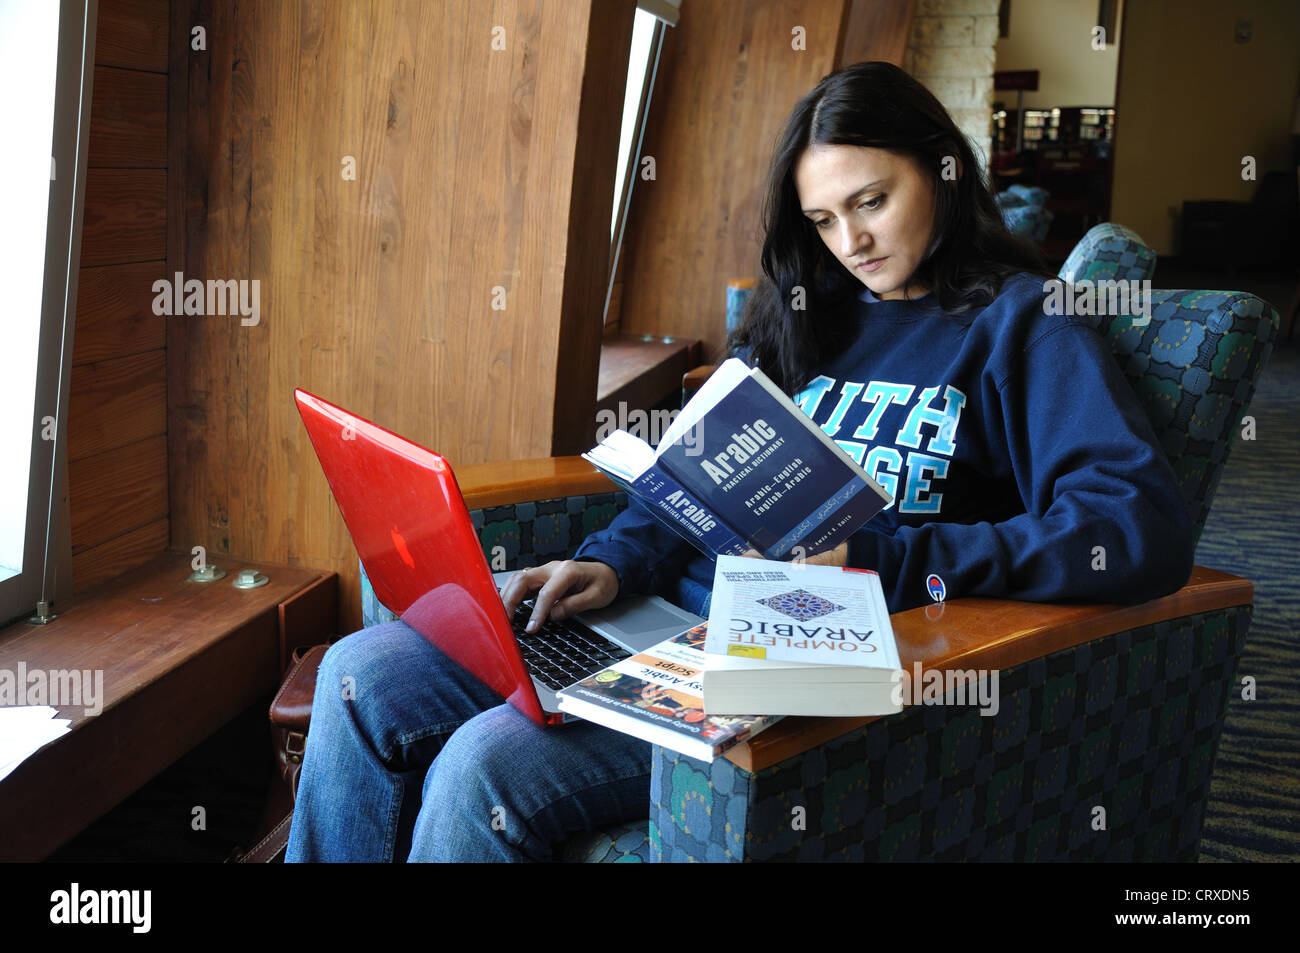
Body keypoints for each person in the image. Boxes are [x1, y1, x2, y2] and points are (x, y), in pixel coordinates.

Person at [285, 61, 1195, 863]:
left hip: (791, 668)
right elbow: (692, 476)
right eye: (824, 219)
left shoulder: (1021, 324)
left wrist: (893, 559)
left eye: (872, 201)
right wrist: (610, 559)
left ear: (943, 169)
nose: (852, 243)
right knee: (358, 676)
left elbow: (1134, 526)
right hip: (658, 614)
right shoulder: (808, 309)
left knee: (484, 763)